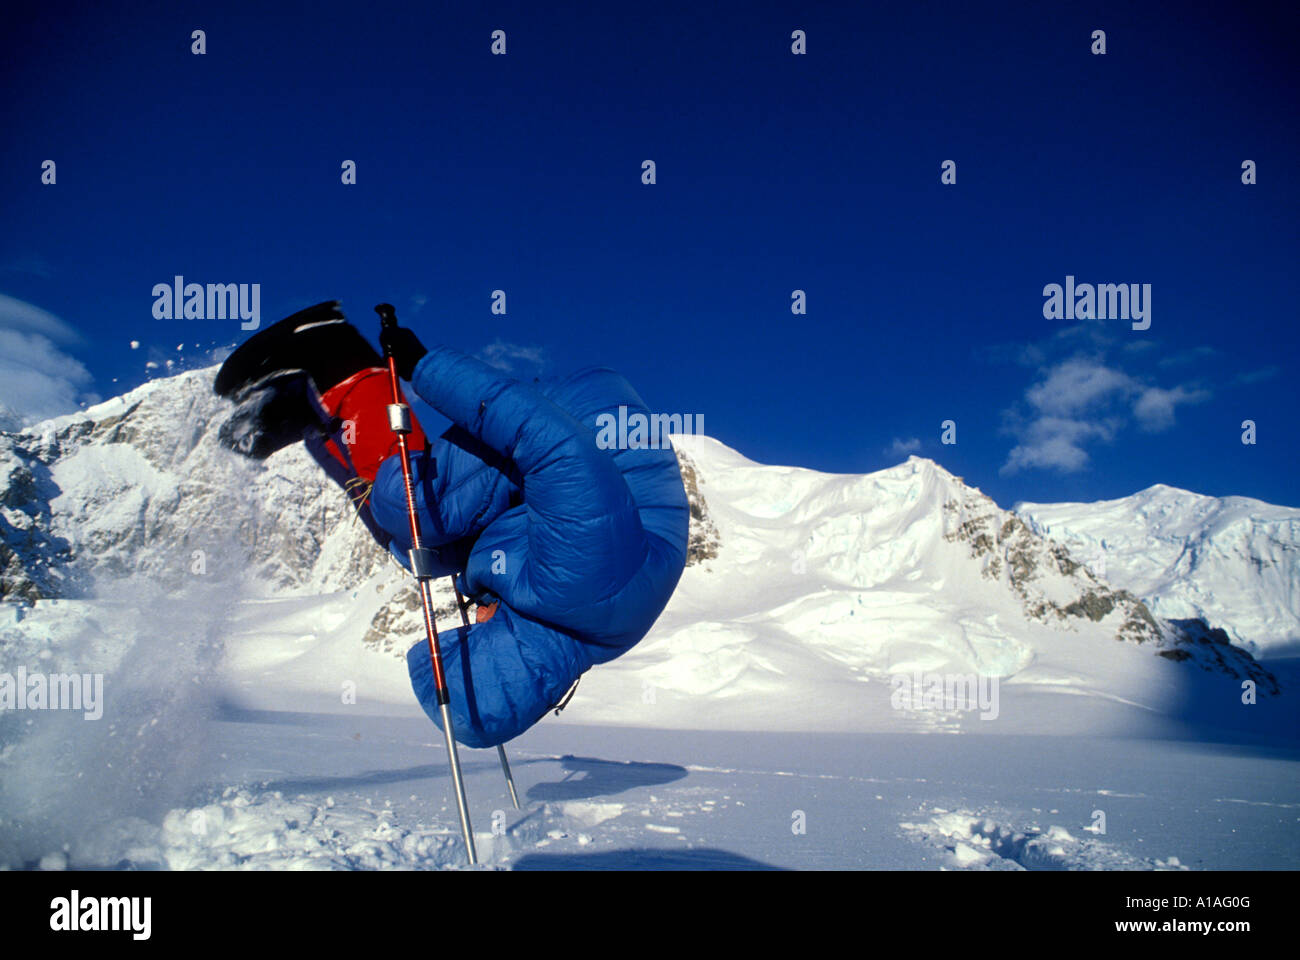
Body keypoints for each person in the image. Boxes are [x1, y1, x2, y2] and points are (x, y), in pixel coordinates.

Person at [214, 301, 689, 748]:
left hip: (559, 479)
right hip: (588, 421)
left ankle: (315, 415)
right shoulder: (580, 583)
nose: (474, 618)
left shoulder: (578, 628)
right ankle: (337, 353)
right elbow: (552, 445)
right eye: (476, 633)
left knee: (415, 550)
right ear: (504, 653)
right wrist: (425, 366)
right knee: (413, 510)